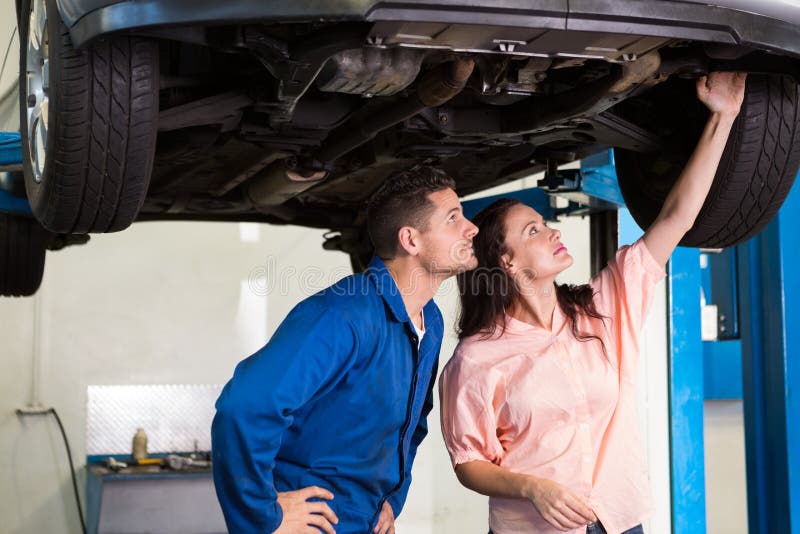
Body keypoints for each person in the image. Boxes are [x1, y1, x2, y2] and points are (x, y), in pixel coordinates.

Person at [438, 71, 746, 534]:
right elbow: (468, 460)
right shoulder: (477, 357)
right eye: (534, 231)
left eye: (546, 223)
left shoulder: (601, 308)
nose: (552, 231)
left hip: (619, 519)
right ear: (506, 262)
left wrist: (724, 116)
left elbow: (677, 217)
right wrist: (531, 488)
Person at [211, 166, 479, 534]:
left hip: (363, 519)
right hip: (313, 522)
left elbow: (411, 424)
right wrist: (263, 515)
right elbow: (243, 407)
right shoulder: (342, 314)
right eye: (453, 219)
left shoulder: (428, 321)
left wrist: (391, 499)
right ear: (410, 240)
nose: (471, 228)